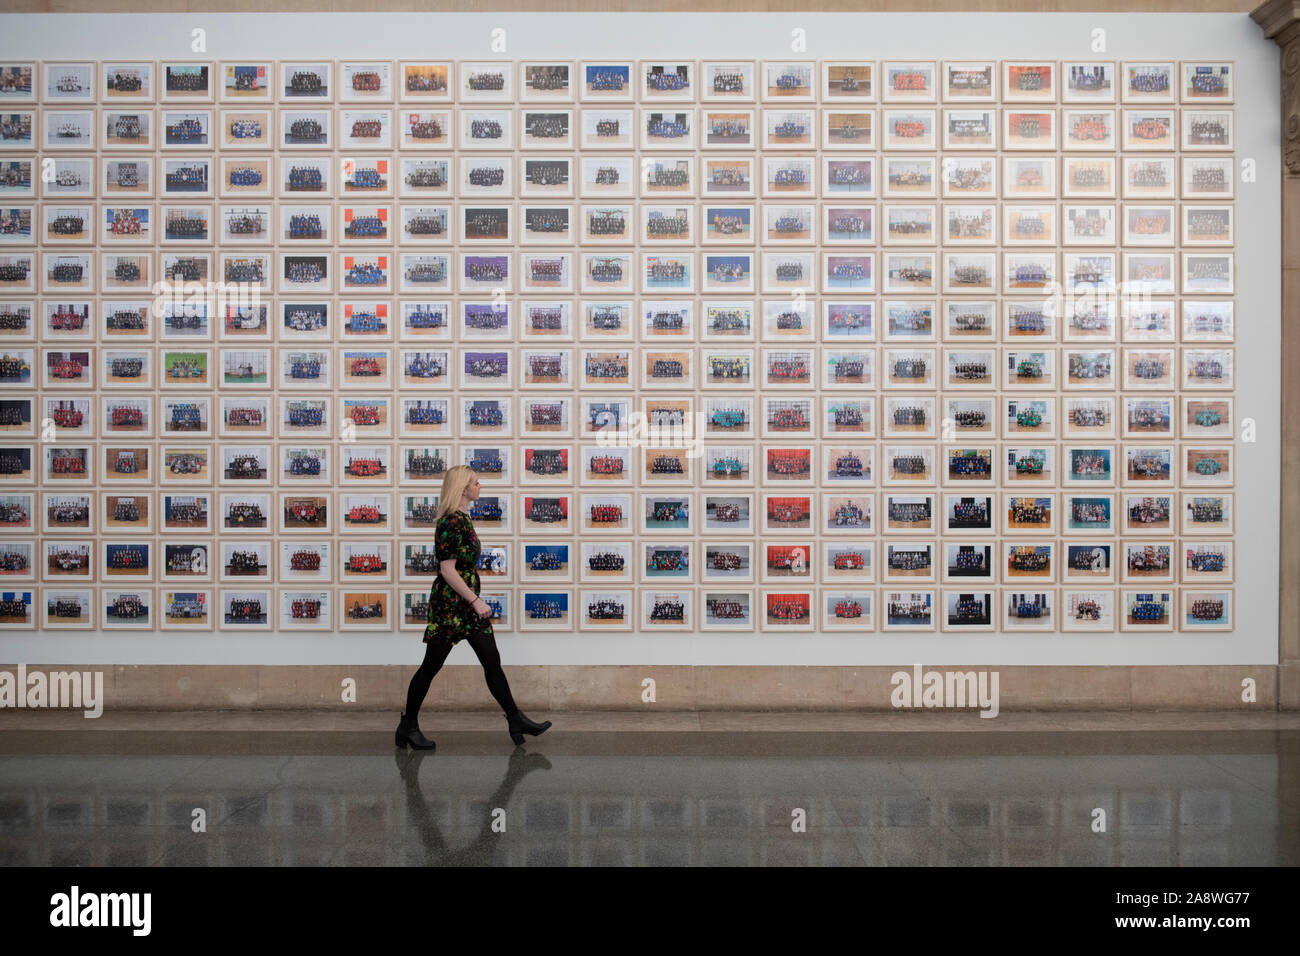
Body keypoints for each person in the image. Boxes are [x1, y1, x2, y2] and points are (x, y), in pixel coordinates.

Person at [396, 465, 552, 750]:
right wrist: (475, 600)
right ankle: (408, 726)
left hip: (466, 606)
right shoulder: (450, 522)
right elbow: (447, 570)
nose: (480, 486)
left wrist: (473, 601)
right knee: (431, 666)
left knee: (491, 661)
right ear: (462, 488)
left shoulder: (464, 519)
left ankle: (515, 719)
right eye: (475, 483)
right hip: (451, 607)